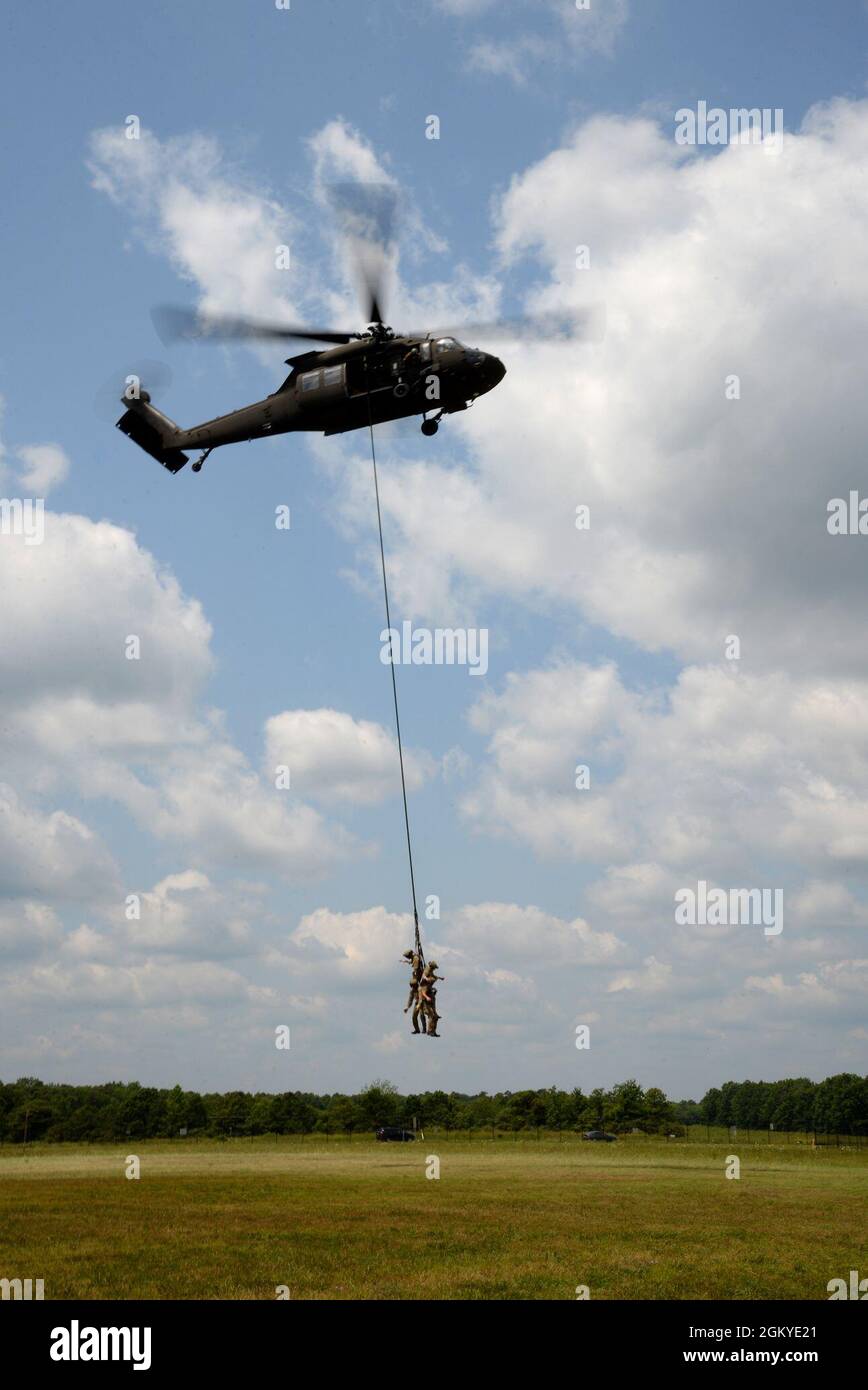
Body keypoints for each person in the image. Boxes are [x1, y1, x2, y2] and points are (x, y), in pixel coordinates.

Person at [402, 949, 426, 1034]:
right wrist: (407, 1007)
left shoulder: (419, 989)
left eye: (413, 986)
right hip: (417, 1003)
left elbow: (420, 998)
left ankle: (424, 1029)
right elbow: (410, 999)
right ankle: (417, 1029)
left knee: (421, 1014)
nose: (412, 987)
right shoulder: (413, 991)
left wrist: (419, 1004)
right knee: (414, 1017)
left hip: (421, 1002)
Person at [420, 961, 445, 1037]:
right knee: (432, 1016)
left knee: (435, 1017)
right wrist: (427, 997)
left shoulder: (430, 986)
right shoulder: (426, 985)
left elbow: (433, 975)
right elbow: (423, 992)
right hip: (425, 1004)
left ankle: (433, 1031)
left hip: (429, 1004)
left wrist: (439, 978)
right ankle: (429, 1031)